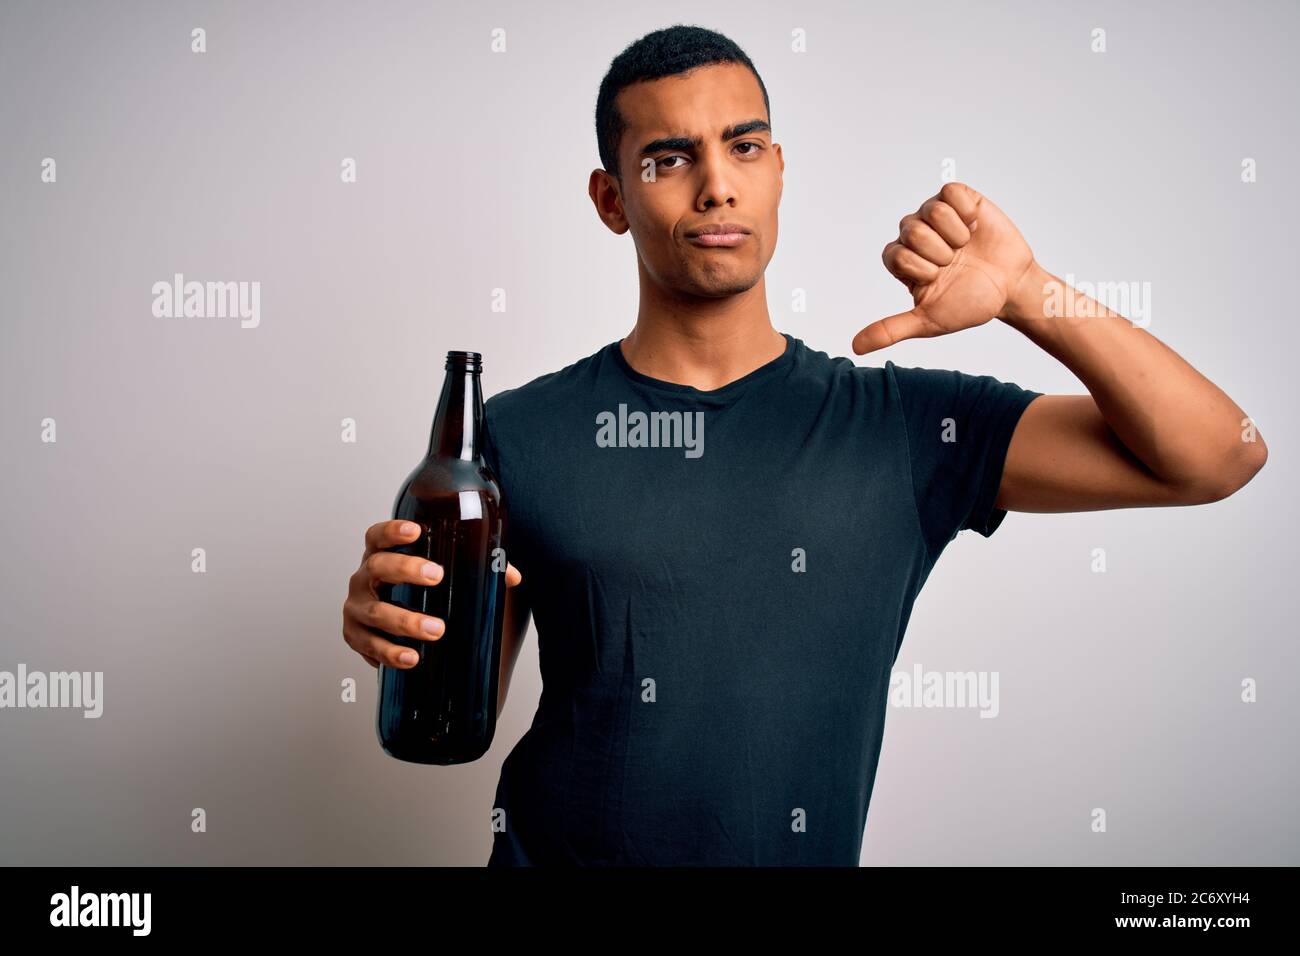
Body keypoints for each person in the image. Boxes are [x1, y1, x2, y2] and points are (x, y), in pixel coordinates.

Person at [341, 25, 1266, 865]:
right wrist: (392, 631)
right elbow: (455, 711)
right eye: (668, 158)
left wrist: (1030, 292)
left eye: (743, 146)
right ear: (611, 198)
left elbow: (1222, 455)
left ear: (779, 168)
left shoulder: (909, 430)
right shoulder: (514, 434)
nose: (717, 184)